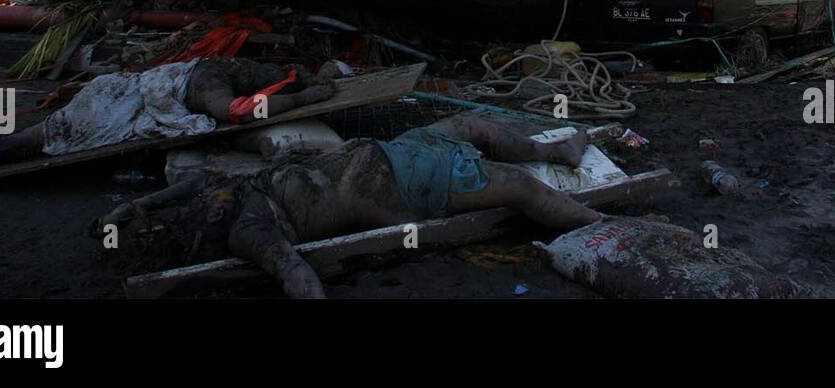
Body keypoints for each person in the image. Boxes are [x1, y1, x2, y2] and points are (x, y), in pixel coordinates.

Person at [101, 114, 600, 298]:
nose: (211, 201)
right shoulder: (250, 229)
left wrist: (132, 208)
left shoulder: (225, 192)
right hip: (407, 184)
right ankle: (605, 226)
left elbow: (189, 185)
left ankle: (553, 150)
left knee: (474, 124)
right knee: (523, 189)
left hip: (395, 150)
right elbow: (294, 273)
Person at [0, 57, 336, 168]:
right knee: (21, 145)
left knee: (23, 140)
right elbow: (242, 112)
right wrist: (308, 99)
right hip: (110, 107)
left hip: (111, 93)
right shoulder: (208, 83)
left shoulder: (209, 71)